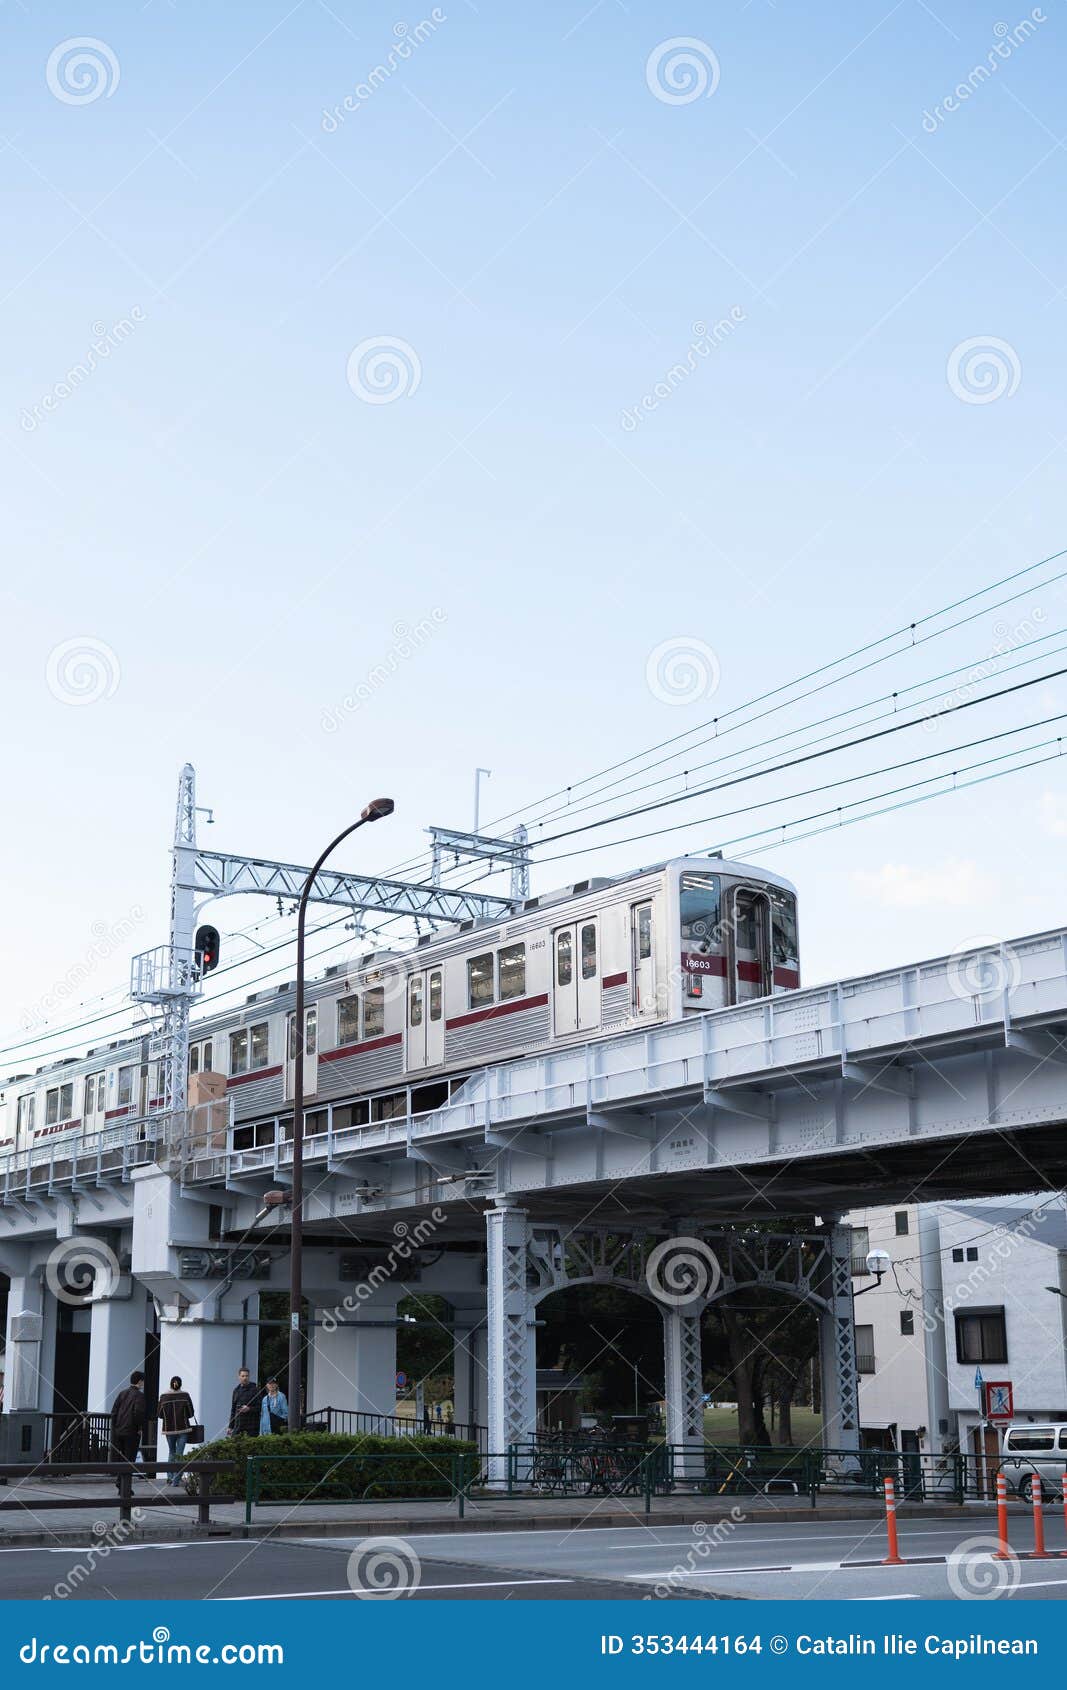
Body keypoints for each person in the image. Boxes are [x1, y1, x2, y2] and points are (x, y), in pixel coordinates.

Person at [110, 1371, 147, 1492]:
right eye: (143, 1381)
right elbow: (138, 1414)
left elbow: (114, 1412)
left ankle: (121, 1483)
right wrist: (140, 1428)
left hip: (119, 1431)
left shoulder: (122, 1393)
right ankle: (124, 1486)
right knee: (129, 1460)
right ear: (140, 1381)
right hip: (131, 1432)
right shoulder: (139, 1396)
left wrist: (116, 1427)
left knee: (122, 1459)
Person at [158, 1374, 196, 1488]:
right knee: (180, 1454)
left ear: (171, 1384)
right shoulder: (185, 1395)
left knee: (171, 1452)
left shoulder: (163, 1396)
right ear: (180, 1384)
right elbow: (191, 1413)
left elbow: (159, 1414)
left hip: (169, 1429)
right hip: (183, 1428)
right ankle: (176, 1480)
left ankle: (170, 1478)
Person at [228, 1366, 261, 1438]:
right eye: (243, 1376)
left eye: (247, 1376)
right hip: (238, 1426)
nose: (245, 1378)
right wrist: (230, 1426)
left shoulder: (255, 1389)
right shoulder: (236, 1390)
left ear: (249, 1377)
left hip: (251, 1428)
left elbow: (260, 1408)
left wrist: (249, 1409)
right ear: (239, 1377)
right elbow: (233, 1410)